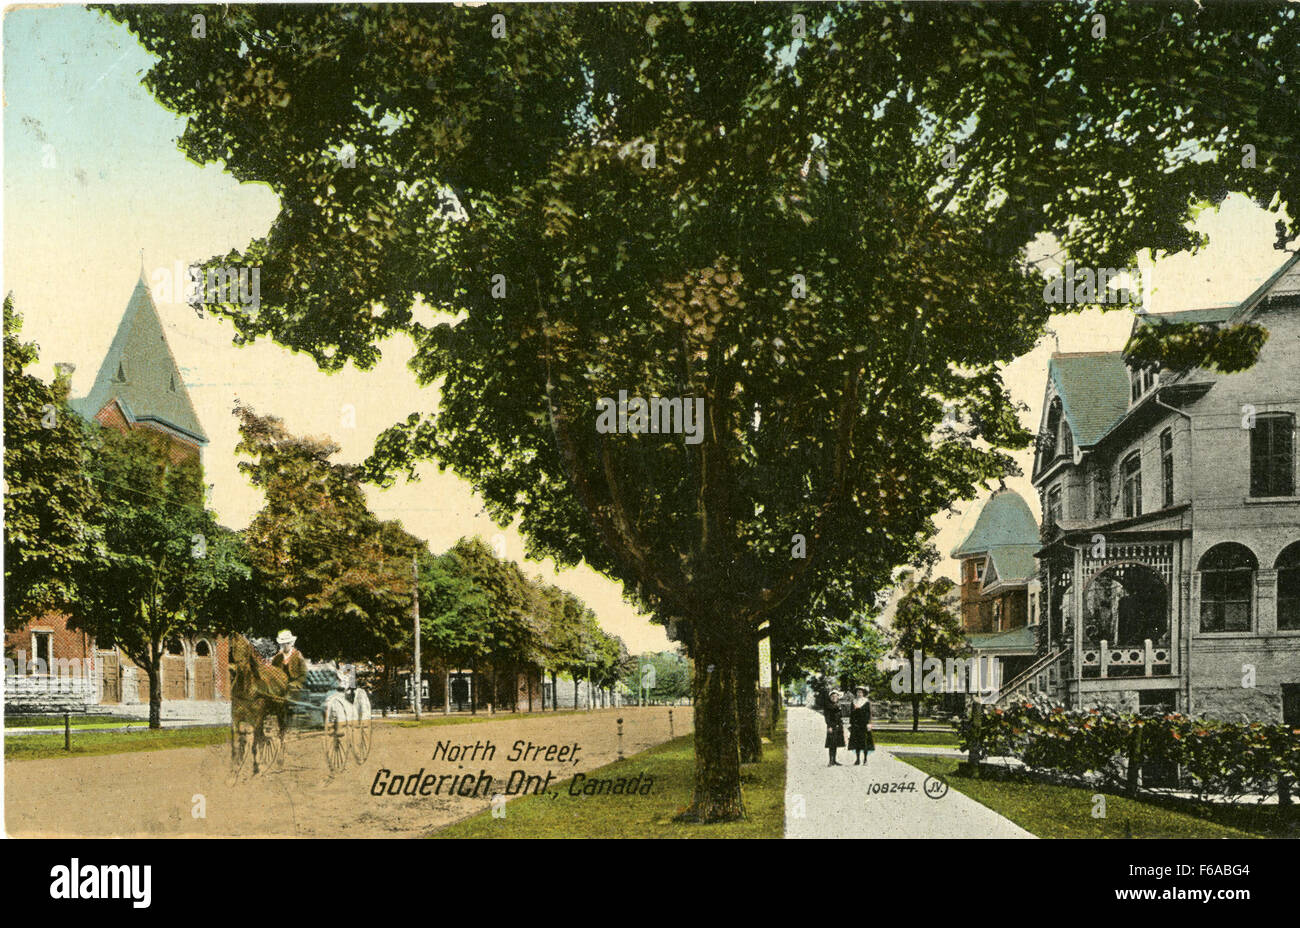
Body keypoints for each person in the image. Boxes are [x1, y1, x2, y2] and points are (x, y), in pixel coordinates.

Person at [271, 629, 306, 697]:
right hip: (280, 685)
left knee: (290, 693)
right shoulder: (277, 657)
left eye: (288, 643)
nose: (285, 645)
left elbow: (304, 674)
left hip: (295, 685)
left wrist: (295, 683)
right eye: (283, 643)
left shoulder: (297, 655)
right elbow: (272, 672)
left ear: (292, 643)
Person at [848, 686, 875, 765]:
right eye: (858, 692)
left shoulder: (866, 702)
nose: (859, 694)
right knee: (857, 743)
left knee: (865, 742)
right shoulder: (853, 702)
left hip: (864, 724)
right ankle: (857, 759)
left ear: (863, 693)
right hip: (856, 724)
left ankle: (865, 759)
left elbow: (869, 713)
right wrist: (851, 724)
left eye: (860, 692)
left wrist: (869, 723)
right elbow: (851, 713)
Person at [823, 689, 846, 766]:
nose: (834, 698)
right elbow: (827, 718)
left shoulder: (838, 705)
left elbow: (840, 716)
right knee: (831, 744)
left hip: (838, 726)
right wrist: (829, 726)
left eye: (836, 696)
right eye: (832, 696)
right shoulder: (828, 706)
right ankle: (830, 761)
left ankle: (834, 760)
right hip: (831, 726)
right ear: (830, 697)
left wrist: (841, 724)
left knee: (835, 743)